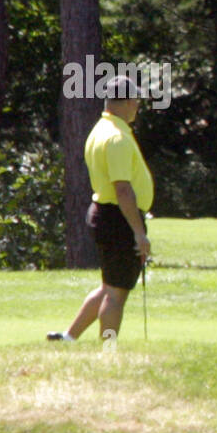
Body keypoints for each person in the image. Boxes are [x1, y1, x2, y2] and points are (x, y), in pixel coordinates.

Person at [48, 76, 155, 344]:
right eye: (136, 102)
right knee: (117, 293)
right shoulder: (117, 137)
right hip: (119, 218)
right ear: (128, 102)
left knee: (108, 286)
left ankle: (69, 338)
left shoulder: (100, 129)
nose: (137, 107)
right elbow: (123, 190)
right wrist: (139, 233)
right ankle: (108, 350)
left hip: (105, 214)